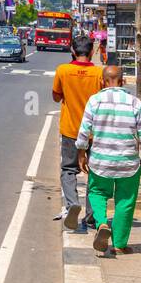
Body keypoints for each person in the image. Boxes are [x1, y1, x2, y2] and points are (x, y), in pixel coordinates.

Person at [75, 65, 141, 257]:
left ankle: (102, 222)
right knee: (125, 201)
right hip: (128, 162)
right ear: (123, 81)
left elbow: (84, 131)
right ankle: (119, 244)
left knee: (96, 192)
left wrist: (81, 153)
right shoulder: (134, 103)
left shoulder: (94, 101)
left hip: (100, 161)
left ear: (102, 81)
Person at [52, 35, 103, 232]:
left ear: (73, 51)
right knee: (94, 174)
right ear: (92, 52)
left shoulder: (63, 70)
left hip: (71, 130)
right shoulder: (99, 73)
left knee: (69, 169)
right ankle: (91, 217)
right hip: (95, 132)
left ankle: (72, 203)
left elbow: (56, 97)